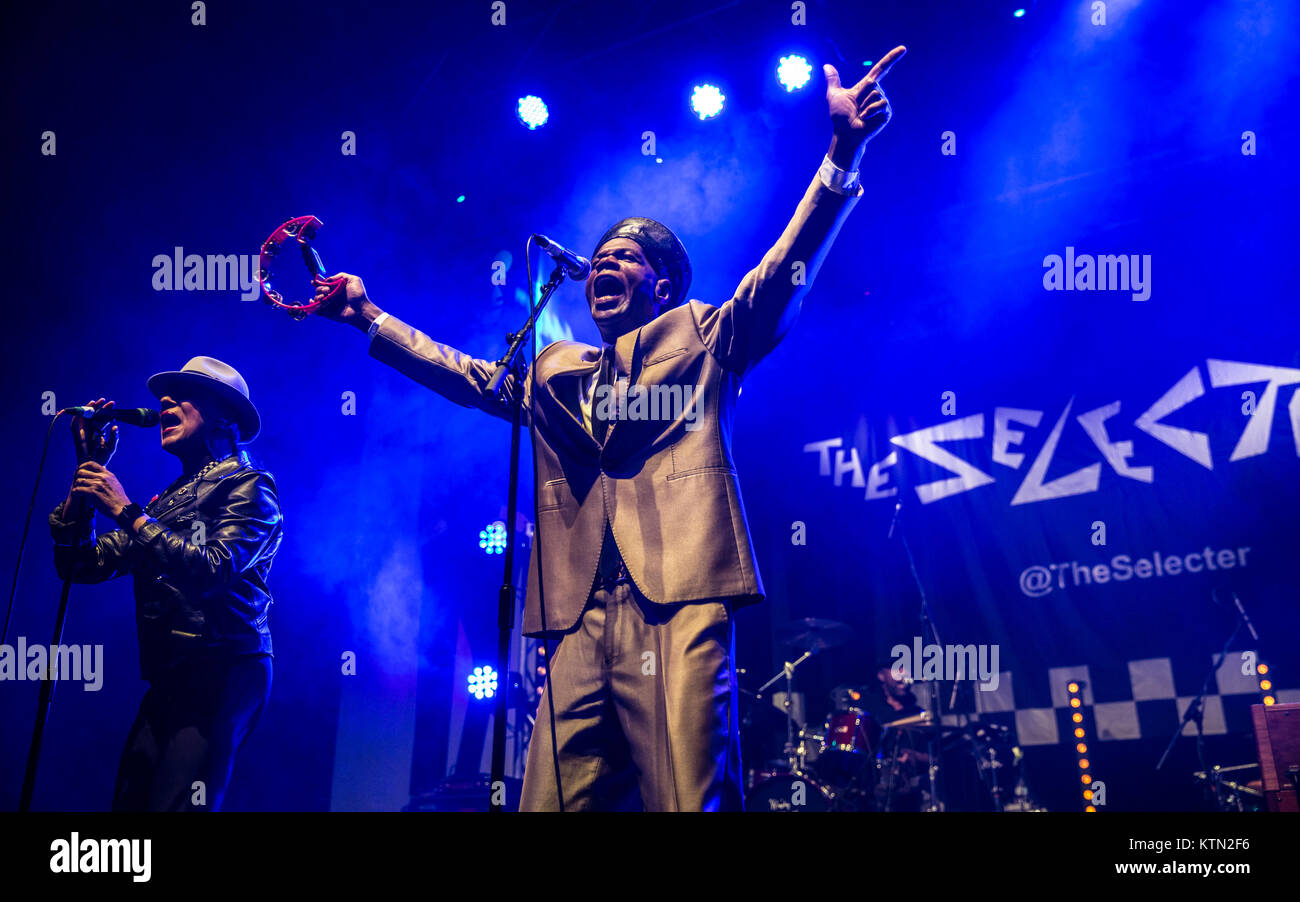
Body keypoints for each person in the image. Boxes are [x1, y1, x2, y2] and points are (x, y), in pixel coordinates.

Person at [312, 47, 906, 810]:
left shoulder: (704, 336)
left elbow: (783, 267)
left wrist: (842, 152)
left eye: (623, 256)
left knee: (689, 797)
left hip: (680, 599)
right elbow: (471, 379)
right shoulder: (558, 373)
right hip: (577, 617)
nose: (602, 265)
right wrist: (368, 315)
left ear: (660, 283)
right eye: (597, 257)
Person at [49, 356, 282, 811]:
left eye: (185, 393)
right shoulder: (170, 499)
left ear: (224, 417)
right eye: (164, 395)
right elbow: (82, 565)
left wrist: (127, 513)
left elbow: (213, 569)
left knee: (175, 804)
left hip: (224, 668)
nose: (166, 401)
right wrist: (87, 473)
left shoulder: (250, 486)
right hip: (172, 674)